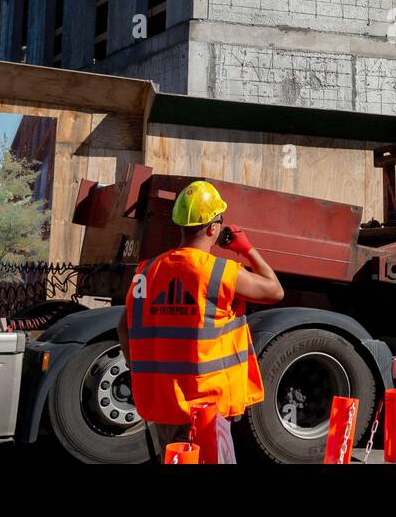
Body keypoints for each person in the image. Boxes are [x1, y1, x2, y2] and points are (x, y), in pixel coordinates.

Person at [117, 180, 285, 464]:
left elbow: (124, 325)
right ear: (212, 228)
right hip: (205, 408)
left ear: (180, 226)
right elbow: (275, 290)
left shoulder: (147, 271)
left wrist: (138, 366)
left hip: (162, 403)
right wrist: (246, 249)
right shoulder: (218, 271)